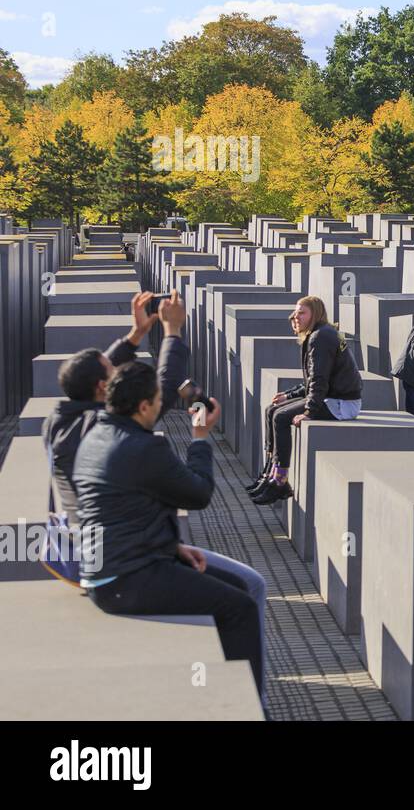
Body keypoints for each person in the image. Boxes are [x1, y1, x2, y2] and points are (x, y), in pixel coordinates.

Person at [73, 362, 264, 699]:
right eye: (159, 400)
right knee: (241, 608)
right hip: (128, 578)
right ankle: (248, 706)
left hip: (107, 570)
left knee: (238, 587)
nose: (162, 406)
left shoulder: (95, 433)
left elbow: (117, 508)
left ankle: (225, 691)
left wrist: (174, 547)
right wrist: (200, 436)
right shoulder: (144, 448)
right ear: (144, 406)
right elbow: (198, 493)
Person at [44, 290, 188, 526]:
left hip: (88, 536)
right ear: (102, 387)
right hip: (126, 544)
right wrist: (173, 331)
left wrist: (136, 335)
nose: (118, 371)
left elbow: (96, 372)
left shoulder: (58, 422)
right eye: (113, 371)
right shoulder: (111, 426)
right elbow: (166, 387)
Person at [251, 296, 363, 504]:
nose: (295, 317)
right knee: (271, 409)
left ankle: (280, 482)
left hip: (341, 404)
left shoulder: (320, 338)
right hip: (330, 397)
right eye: (295, 312)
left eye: (302, 312)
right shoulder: (320, 334)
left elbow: (320, 381)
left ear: (315, 314)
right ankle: (269, 472)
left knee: (281, 417)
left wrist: (309, 412)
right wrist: (289, 395)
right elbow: (314, 380)